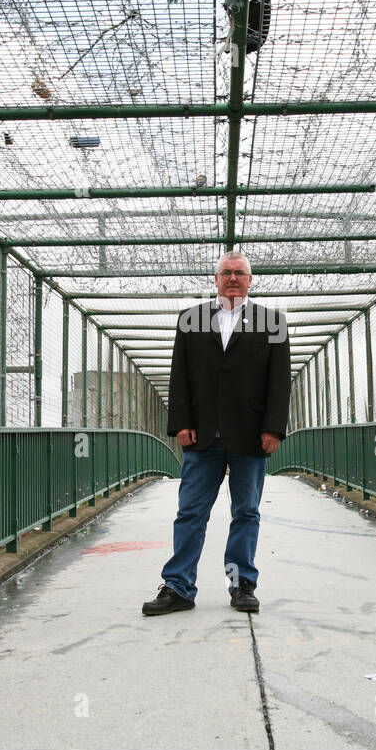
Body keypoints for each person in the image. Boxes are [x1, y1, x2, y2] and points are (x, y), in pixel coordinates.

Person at [142, 251, 291, 616]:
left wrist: (274, 428)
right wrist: (180, 423)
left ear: (250, 280)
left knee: (246, 512)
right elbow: (180, 375)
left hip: (250, 435)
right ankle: (179, 587)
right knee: (190, 512)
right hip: (202, 434)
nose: (233, 278)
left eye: (239, 273)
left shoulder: (272, 322)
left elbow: (279, 381)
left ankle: (241, 585)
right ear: (216, 279)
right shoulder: (190, 320)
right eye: (226, 272)